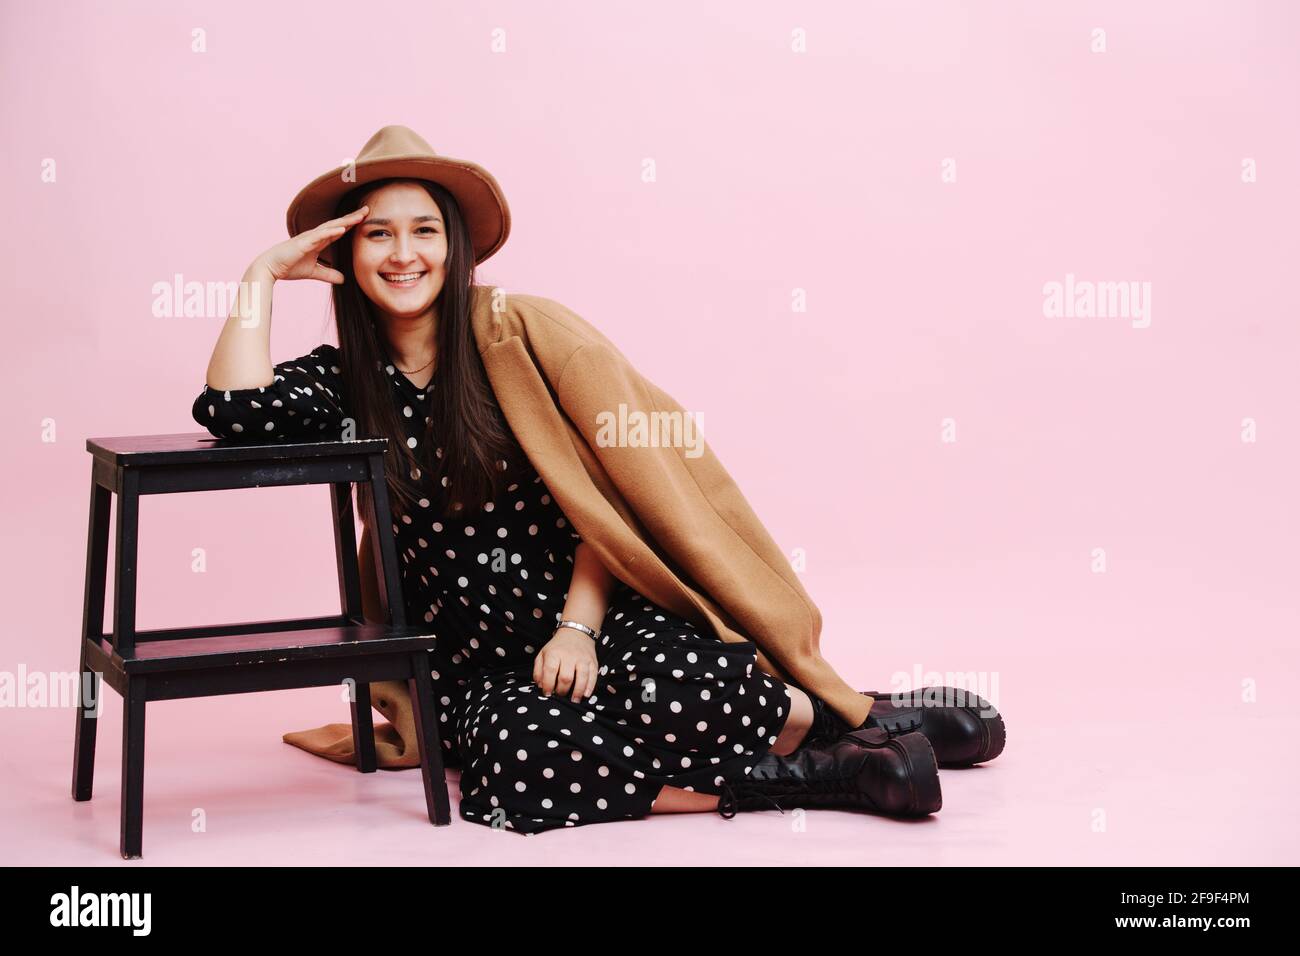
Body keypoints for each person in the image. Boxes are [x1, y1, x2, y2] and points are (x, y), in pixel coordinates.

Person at [191, 126, 1004, 834]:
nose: (404, 255)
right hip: (474, 665)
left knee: (680, 683)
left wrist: (576, 629)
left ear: (455, 246)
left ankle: (841, 713)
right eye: (378, 235)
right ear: (346, 251)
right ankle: (825, 774)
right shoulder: (345, 383)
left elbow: (606, 498)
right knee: (516, 766)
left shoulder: (516, 340)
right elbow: (233, 408)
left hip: (594, 614)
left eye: (426, 231)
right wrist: (262, 274)